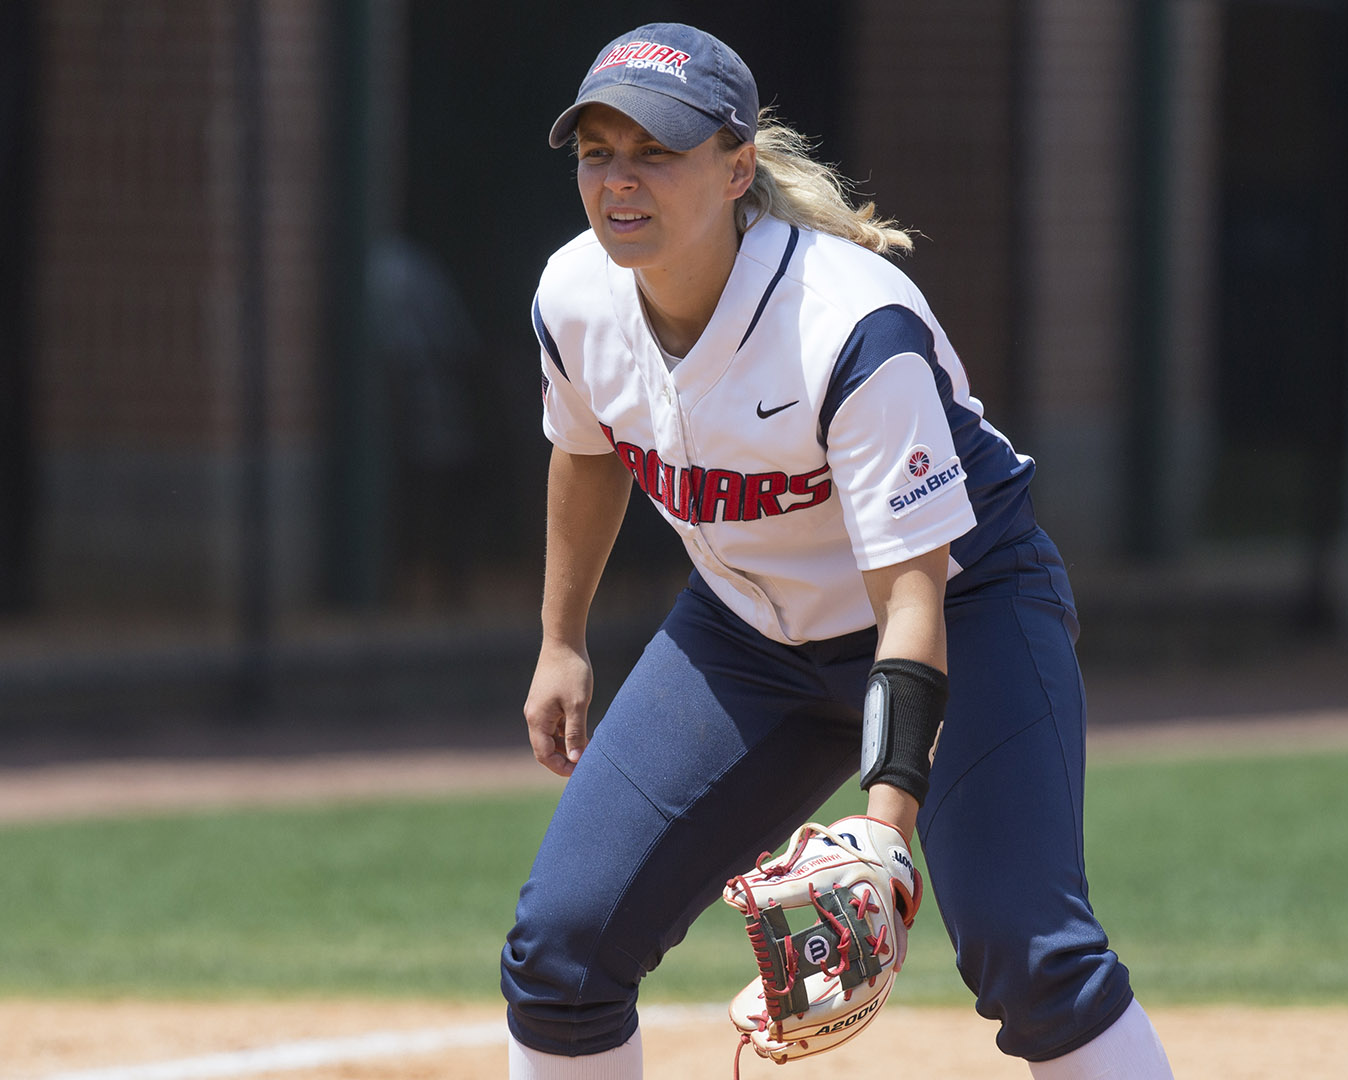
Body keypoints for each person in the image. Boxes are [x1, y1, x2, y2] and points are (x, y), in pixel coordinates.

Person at [501, 22, 1175, 1080]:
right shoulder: (575, 295)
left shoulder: (849, 323)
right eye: (598, 152)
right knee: (560, 952)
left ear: (737, 169)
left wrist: (883, 830)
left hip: (962, 610)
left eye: (657, 151)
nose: (620, 180)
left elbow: (912, 597)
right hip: (744, 634)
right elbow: (586, 452)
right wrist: (561, 641)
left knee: (1031, 954)